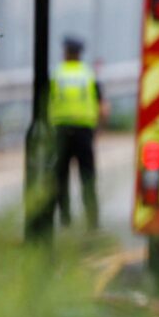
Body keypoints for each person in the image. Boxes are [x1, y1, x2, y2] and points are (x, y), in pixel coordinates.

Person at [50, 35, 104, 231]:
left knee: (60, 178)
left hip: (61, 131)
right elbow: (102, 105)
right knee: (87, 177)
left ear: (65, 52)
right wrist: (99, 128)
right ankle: (92, 221)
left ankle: (65, 219)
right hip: (84, 131)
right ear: (80, 54)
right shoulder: (88, 74)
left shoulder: (57, 74)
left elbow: (47, 101)